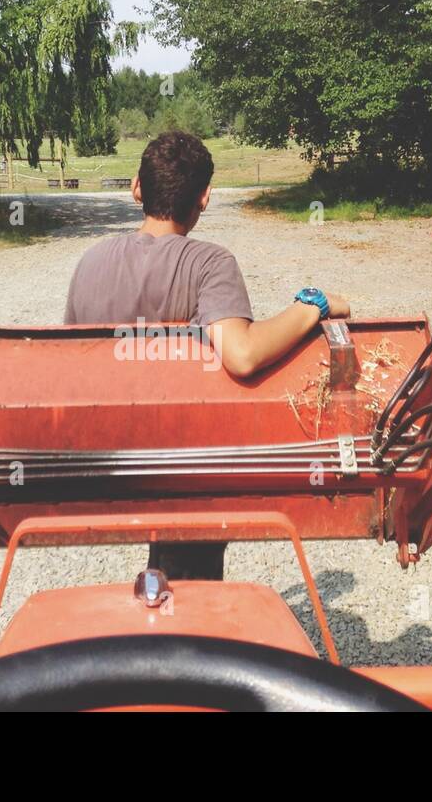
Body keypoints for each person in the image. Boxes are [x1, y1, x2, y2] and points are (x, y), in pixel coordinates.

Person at [63, 131, 350, 579]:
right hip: (185, 462)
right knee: (193, 565)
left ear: (137, 187)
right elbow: (241, 354)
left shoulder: (91, 262)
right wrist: (312, 305)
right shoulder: (209, 263)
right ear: (205, 197)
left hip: (109, 456)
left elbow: (71, 364)